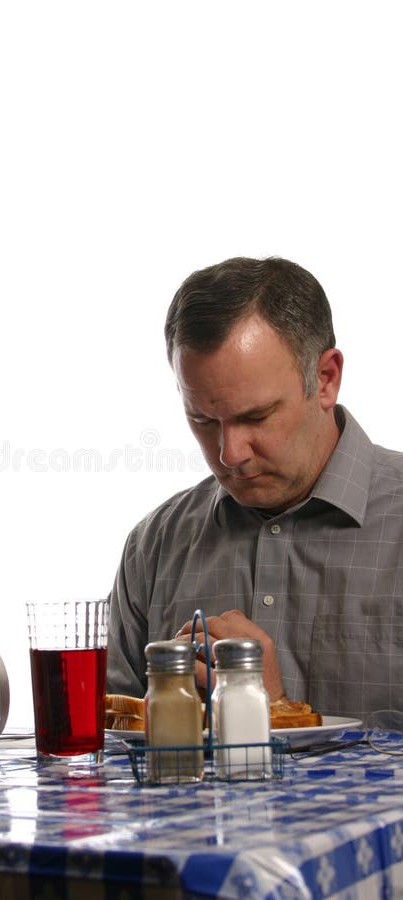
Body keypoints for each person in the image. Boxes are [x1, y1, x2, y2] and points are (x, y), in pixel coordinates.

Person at [106, 256, 403, 721]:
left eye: (256, 417)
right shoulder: (155, 546)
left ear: (326, 379)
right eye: (203, 420)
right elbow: (113, 753)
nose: (230, 453)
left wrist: (276, 713)